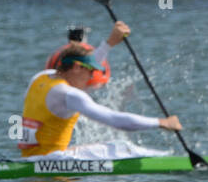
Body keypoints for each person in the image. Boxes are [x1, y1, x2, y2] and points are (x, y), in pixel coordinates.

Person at [18, 21, 182, 159]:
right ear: (76, 67)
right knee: (122, 148)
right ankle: (172, 160)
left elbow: (86, 61)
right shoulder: (69, 95)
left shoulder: (40, 77)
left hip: (32, 158)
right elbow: (115, 120)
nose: (91, 76)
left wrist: (109, 43)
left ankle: (167, 157)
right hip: (53, 160)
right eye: (90, 71)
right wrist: (161, 123)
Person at [46, 25, 110, 89]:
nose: (91, 76)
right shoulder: (84, 55)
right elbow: (96, 58)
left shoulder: (45, 77)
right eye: (91, 70)